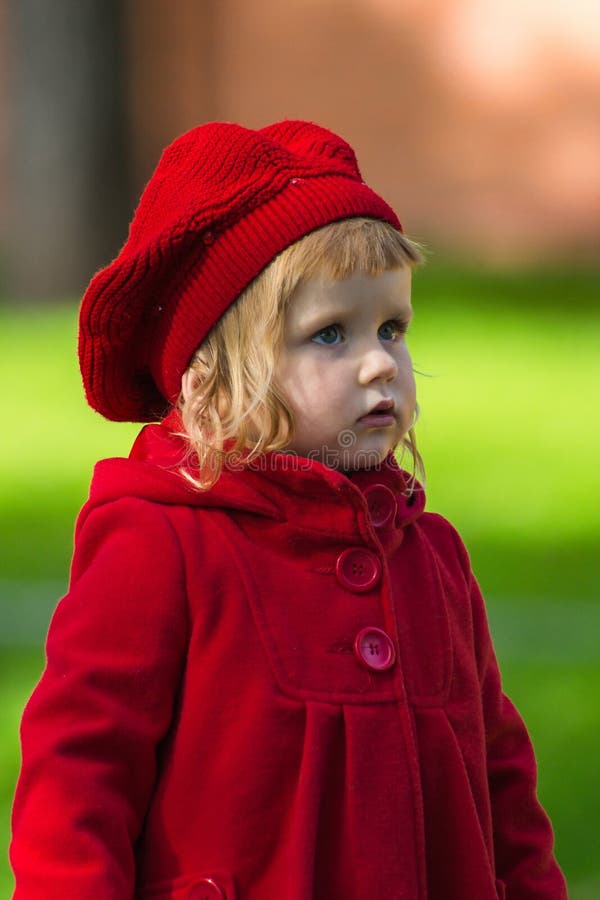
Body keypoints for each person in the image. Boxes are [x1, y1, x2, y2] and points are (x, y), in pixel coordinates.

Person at [10, 120, 567, 900]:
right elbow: (77, 775)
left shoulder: (431, 558)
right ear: (218, 372)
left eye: (392, 328)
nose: (380, 362)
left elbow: (504, 786)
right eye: (330, 334)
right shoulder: (159, 540)